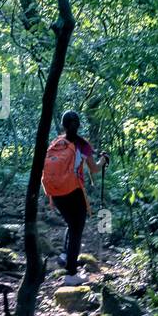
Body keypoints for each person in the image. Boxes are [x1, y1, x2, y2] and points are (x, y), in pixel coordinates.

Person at [42, 110, 108, 286]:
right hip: (73, 191)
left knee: (72, 225)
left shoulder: (57, 143)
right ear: (78, 125)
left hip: (56, 192)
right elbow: (94, 168)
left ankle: (65, 255)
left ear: (63, 125)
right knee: (77, 229)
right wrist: (103, 161)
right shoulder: (82, 144)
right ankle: (71, 274)